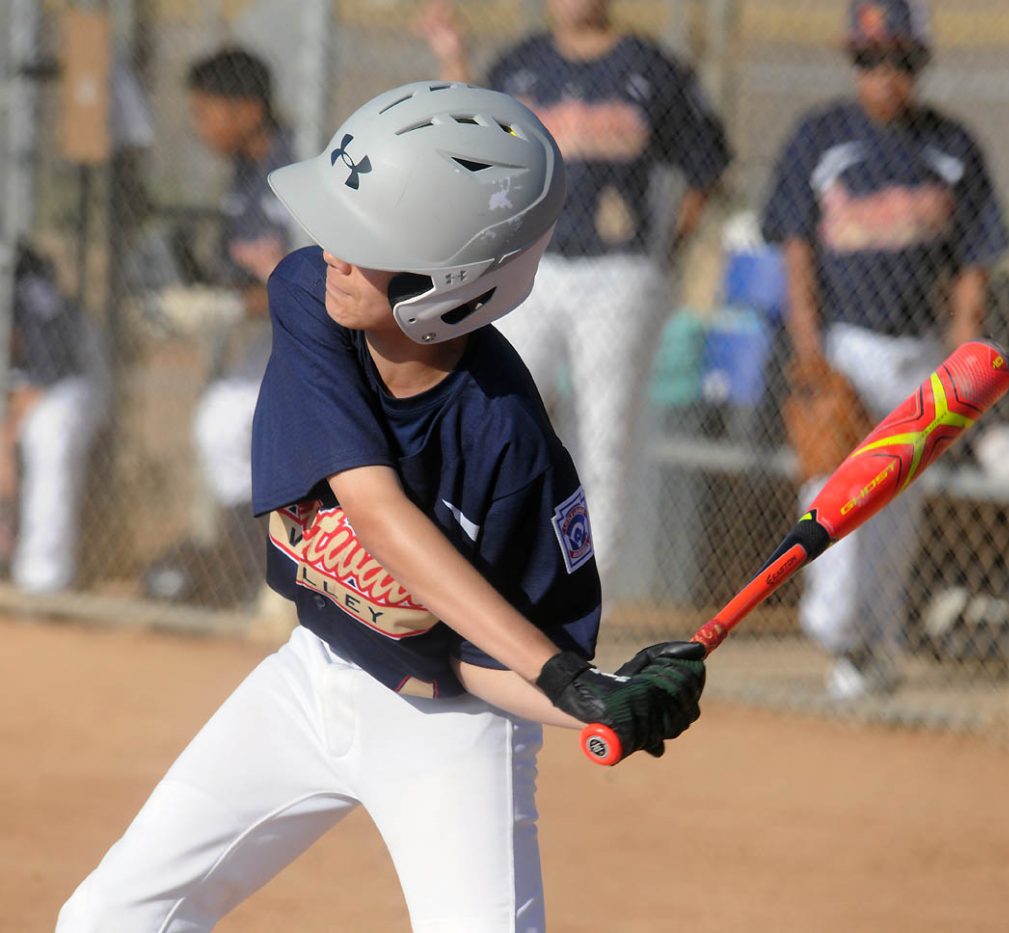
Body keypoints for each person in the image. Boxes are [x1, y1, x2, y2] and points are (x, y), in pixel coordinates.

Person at [57, 81, 708, 932]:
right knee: (106, 917)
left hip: (448, 729)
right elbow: (372, 505)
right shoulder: (311, 305)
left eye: (364, 238)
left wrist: (597, 694)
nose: (332, 250)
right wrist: (561, 673)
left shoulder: (507, 442)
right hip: (310, 677)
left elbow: (481, 661)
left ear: (455, 281)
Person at [418, 0, 731, 598]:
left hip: (619, 271)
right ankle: (481, 568)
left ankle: (590, 596)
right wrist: (452, 56)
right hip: (530, 266)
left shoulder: (649, 67)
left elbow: (707, 163)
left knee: (606, 435)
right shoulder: (521, 65)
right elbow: (473, 146)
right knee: (494, 409)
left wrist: (669, 247)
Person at [761, 0, 1009, 699]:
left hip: (919, 356)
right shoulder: (820, 138)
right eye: (869, 60)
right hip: (846, 349)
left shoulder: (951, 147)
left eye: (898, 59)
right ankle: (837, 621)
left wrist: (961, 344)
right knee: (833, 494)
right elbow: (796, 249)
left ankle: (867, 652)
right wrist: (810, 348)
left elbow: (974, 258)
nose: (884, 75)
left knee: (895, 518)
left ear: (919, 64)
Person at [143, 47, 297, 605]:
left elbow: (312, 282)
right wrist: (200, 294)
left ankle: (278, 576)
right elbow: (243, 277)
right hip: (277, 333)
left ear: (249, 110)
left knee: (230, 423)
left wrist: (228, 310)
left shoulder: (297, 166)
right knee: (221, 426)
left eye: (209, 112)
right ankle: (259, 572)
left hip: (327, 335)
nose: (199, 126)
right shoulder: (244, 173)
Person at [0, 244, 108, 594]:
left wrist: (5, 438)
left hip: (63, 384)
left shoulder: (24, 275)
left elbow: (48, 368)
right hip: (16, 388)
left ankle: (41, 578)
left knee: (48, 433)